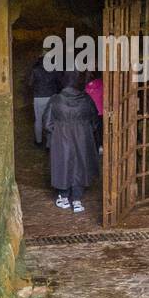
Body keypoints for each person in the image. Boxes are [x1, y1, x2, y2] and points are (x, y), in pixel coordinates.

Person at [43, 70, 100, 214]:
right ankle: (77, 198)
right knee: (80, 165)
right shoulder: (86, 99)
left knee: (63, 163)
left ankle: (63, 196)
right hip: (82, 136)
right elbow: (94, 120)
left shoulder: (56, 100)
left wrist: (56, 133)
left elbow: (47, 123)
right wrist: (84, 130)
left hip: (61, 137)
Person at [27, 54, 61, 146]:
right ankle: (49, 144)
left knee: (38, 119)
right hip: (51, 96)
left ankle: (38, 141)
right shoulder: (54, 70)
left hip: (39, 96)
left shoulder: (35, 70)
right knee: (50, 120)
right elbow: (60, 82)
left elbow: (30, 83)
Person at [85, 72, 104, 154]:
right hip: (101, 112)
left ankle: (92, 147)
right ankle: (101, 146)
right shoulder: (103, 86)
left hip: (90, 113)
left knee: (92, 130)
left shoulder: (86, 88)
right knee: (101, 130)